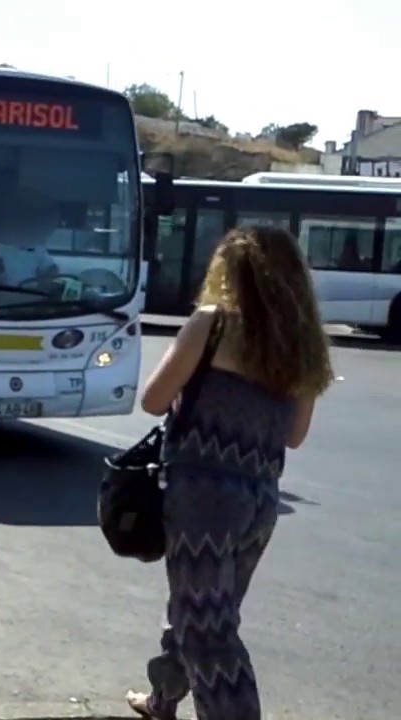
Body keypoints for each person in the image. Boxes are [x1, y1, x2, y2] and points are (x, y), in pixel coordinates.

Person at [126, 225, 334, 720]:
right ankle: (162, 700)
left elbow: (154, 400)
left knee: (207, 626)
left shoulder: (213, 324)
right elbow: (294, 436)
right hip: (260, 499)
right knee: (208, 610)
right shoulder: (304, 345)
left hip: (202, 496)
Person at [0, 192, 60, 285]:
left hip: (32, 295)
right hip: (4, 295)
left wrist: (48, 277)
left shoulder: (36, 245)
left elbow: (51, 267)